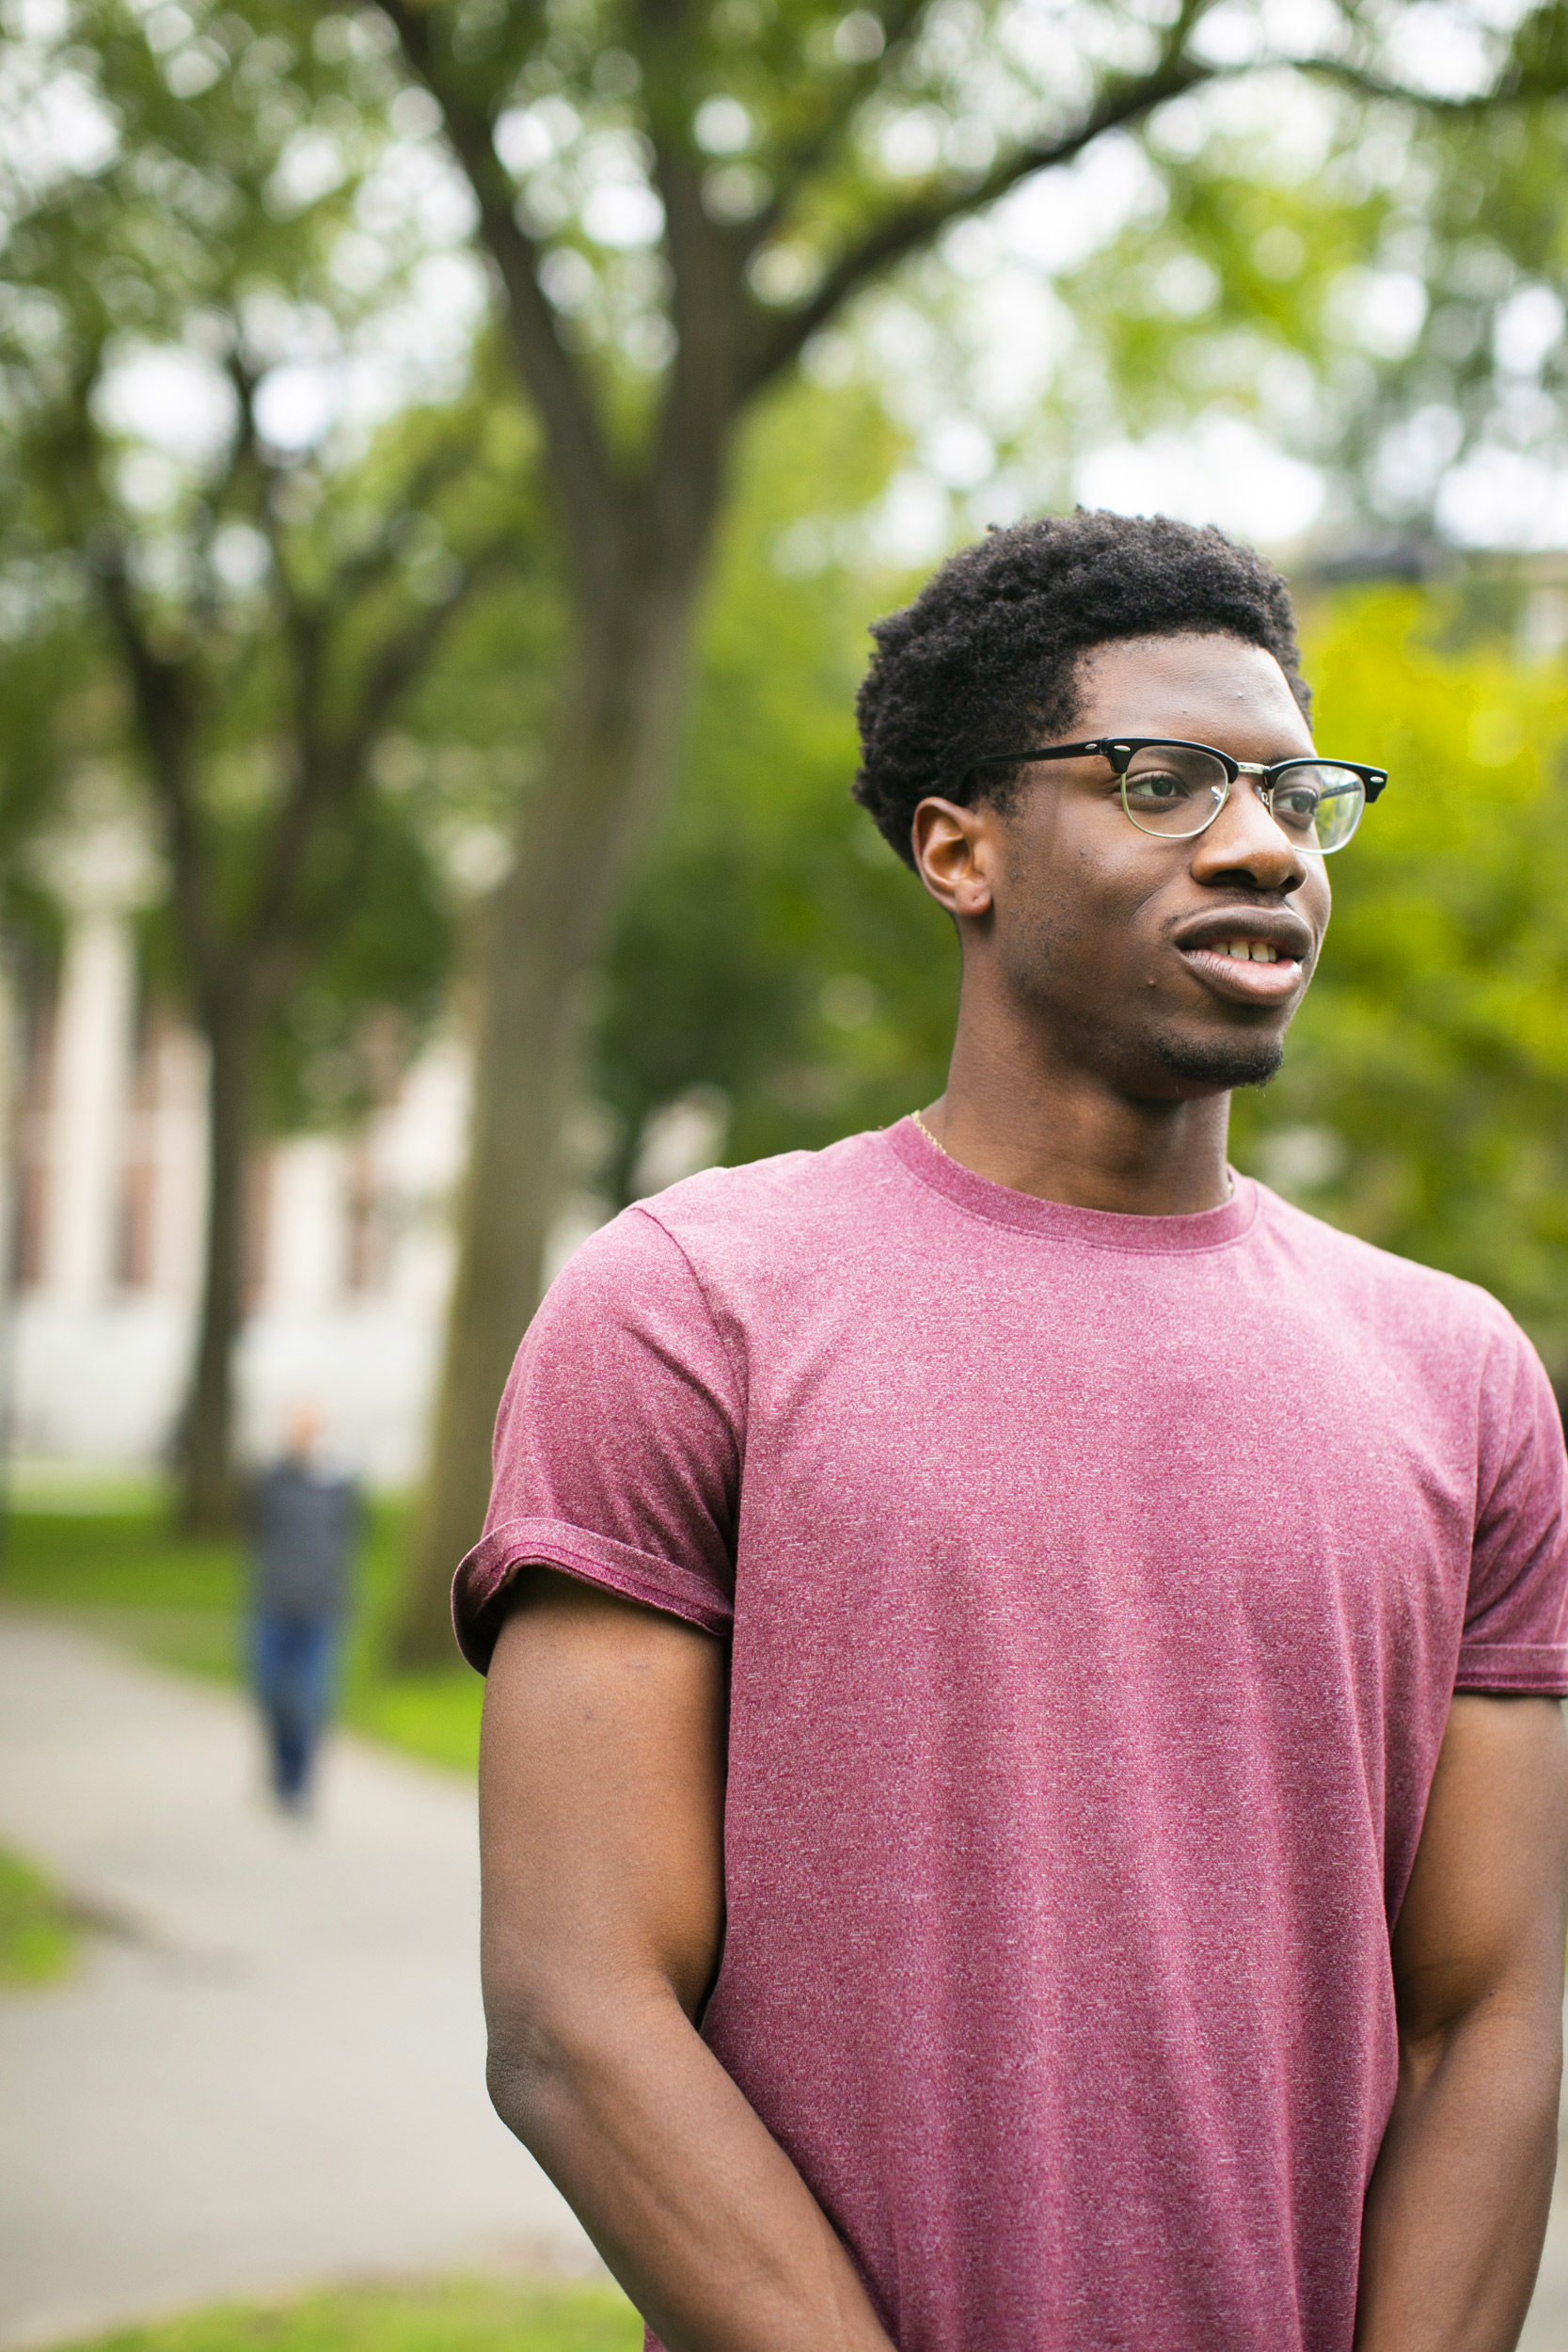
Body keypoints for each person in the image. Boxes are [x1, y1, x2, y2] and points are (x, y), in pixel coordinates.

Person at [457, 512, 1568, 2352]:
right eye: (1161, 780)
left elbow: (1486, 2014)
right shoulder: (690, 1305)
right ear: (955, 846)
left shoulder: (1455, 1376)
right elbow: (576, 2011)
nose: (1256, 843)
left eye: (1296, 795)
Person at [247, 1400, 358, 1812]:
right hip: (275, 1602)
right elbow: (254, 1524)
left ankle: (299, 1784)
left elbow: (348, 1536)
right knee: (272, 1694)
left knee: (311, 1700)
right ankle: (279, 1770)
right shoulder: (271, 1480)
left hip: (320, 1607)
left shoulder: (338, 1484)